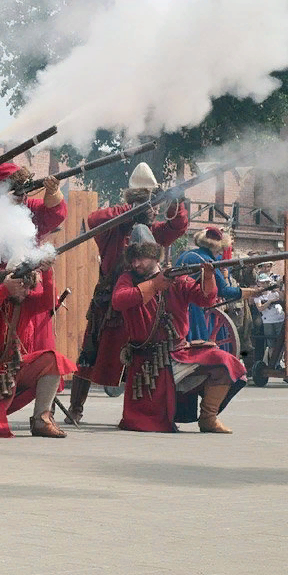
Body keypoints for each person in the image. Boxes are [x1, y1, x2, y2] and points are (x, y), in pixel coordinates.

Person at [68, 162, 188, 424]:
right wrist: (132, 209)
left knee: (145, 352)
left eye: (154, 205)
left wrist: (175, 203)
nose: (153, 210)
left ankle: (142, 411)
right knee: (91, 353)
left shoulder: (151, 232)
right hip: (109, 300)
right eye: (149, 204)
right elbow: (93, 219)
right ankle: (75, 408)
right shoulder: (113, 226)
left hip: (145, 299)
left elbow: (177, 227)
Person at [112, 224, 246, 433]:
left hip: (179, 352)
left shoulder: (178, 280)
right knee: (145, 422)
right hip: (148, 361)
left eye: (141, 258)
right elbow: (119, 301)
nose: (136, 263)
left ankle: (208, 418)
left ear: (154, 257)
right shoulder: (127, 279)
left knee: (225, 363)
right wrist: (154, 285)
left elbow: (205, 299)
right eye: (133, 258)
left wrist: (208, 277)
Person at [0, 258, 76, 438]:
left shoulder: (26, 300)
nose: (26, 291)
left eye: (28, 287)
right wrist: (3, 291)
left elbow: (47, 303)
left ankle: (41, 420)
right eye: (22, 285)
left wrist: (47, 273)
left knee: (53, 360)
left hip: (13, 371)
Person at [174, 227, 259, 342]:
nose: (221, 253)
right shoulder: (207, 261)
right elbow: (223, 290)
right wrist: (250, 292)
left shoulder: (187, 254)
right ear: (216, 247)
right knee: (198, 344)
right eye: (220, 250)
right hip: (194, 309)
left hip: (176, 304)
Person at [253, 277, 286, 366]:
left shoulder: (274, 293)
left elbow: (283, 298)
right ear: (259, 283)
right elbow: (260, 308)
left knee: (282, 343)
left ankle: (279, 363)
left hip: (279, 319)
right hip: (268, 321)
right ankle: (274, 364)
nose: (265, 284)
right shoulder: (258, 297)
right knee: (271, 344)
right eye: (263, 282)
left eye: (267, 282)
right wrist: (270, 301)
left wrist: (278, 289)